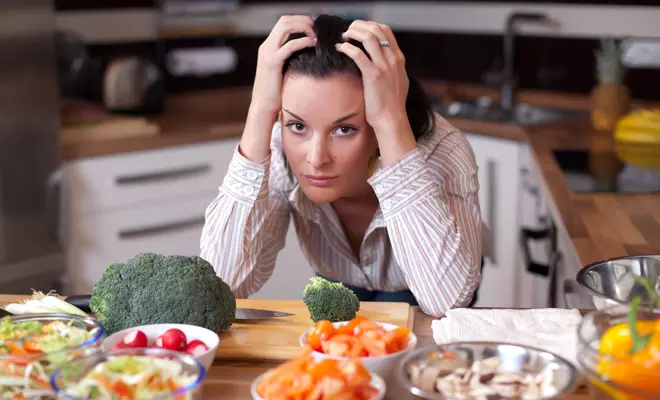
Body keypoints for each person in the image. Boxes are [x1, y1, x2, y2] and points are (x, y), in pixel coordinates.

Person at [200, 14, 484, 318]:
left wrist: (390, 123)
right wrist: (259, 110)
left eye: (345, 129)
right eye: (297, 125)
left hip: (428, 280)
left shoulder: (442, 151)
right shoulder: (278, 145)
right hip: (339, 276)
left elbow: (447, 302)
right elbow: (222, 284)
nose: (316, 158)